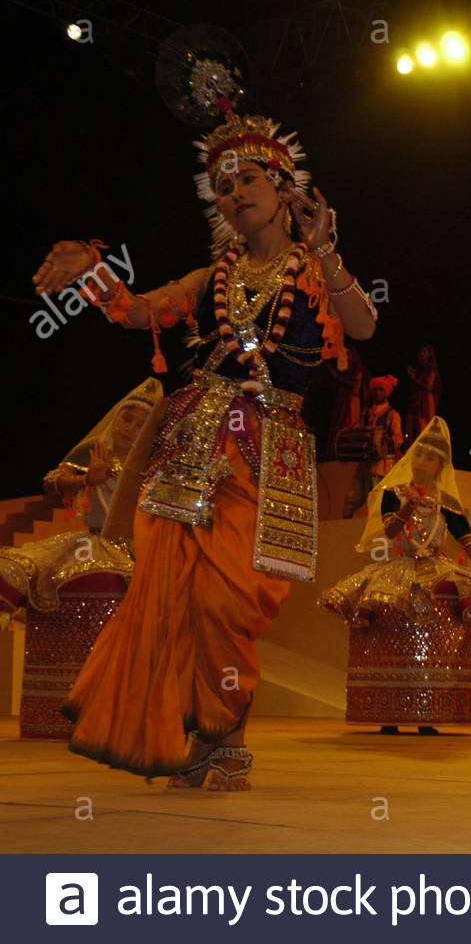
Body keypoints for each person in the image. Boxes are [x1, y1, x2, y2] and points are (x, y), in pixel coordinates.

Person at [31, 107, 377, 788]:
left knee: (231, 600)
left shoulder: (311, 269)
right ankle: (212, 741)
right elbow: (136, 311)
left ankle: (220, 732)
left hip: (267, 446)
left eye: (248, 178)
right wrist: (91, 270)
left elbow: (362, 324)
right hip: (190, 444)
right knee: (176, 598)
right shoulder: (208, 278)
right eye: (222, 187)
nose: (234, 193)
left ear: (283, 188)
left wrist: (329, 252)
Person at [321, 417, 471, 733]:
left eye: (429, 457)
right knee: (393, 638)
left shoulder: (446, 502)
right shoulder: (392, 492)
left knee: (433, 641)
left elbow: (463, 534)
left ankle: (429, 711)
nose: (421, 460)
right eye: (418, 454)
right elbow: (390, 530)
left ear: (440, 465)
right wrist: (407, 505)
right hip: (401, 567)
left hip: (437, 569)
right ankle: (389, 713)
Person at [0, 379, 161, 738]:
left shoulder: (155, 467)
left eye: (140, 424)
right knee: (11, 568)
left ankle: (117, 716)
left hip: (140, 552)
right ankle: (56, 713)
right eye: (126, 419)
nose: (130, 429)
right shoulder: (93, 456)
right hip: (88, 546)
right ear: (114, 420)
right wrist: (86, 481)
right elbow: (52, 483)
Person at [341, 375, 404, 518]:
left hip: (382, 465)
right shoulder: (365, 413)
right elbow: (356, 430)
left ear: (386, 392)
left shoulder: (392, 415)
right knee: (351, 500)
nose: (377, 393)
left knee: (377, 502)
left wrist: (387, 440)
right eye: (375, 390)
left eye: (380, 390)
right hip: (364, 464)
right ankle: (344, 531)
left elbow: (398, 439)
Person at [405, 344, 442, 446]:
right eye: (421, 351)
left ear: (429, 355)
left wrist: (413, 378)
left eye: (424, 352)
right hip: (415, 401)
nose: (421, 354)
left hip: (425, 400)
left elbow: (429, 387)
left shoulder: (431, 369)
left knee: (424, 426)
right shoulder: (417, 369)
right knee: (413, 428)